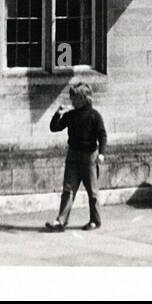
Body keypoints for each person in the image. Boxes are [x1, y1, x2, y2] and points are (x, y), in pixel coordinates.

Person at [45, 81, 107, 232]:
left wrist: (102, 153)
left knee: (92, 191)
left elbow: (102, 135)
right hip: (73, 155)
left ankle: (95, 220)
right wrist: (57, 114)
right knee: (68, 189)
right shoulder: (71, 115)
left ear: (83, 98)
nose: (72, 100)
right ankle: (61, 221)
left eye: (74, 97)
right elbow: (54, 128)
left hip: (89, 156)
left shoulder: (94, 115)